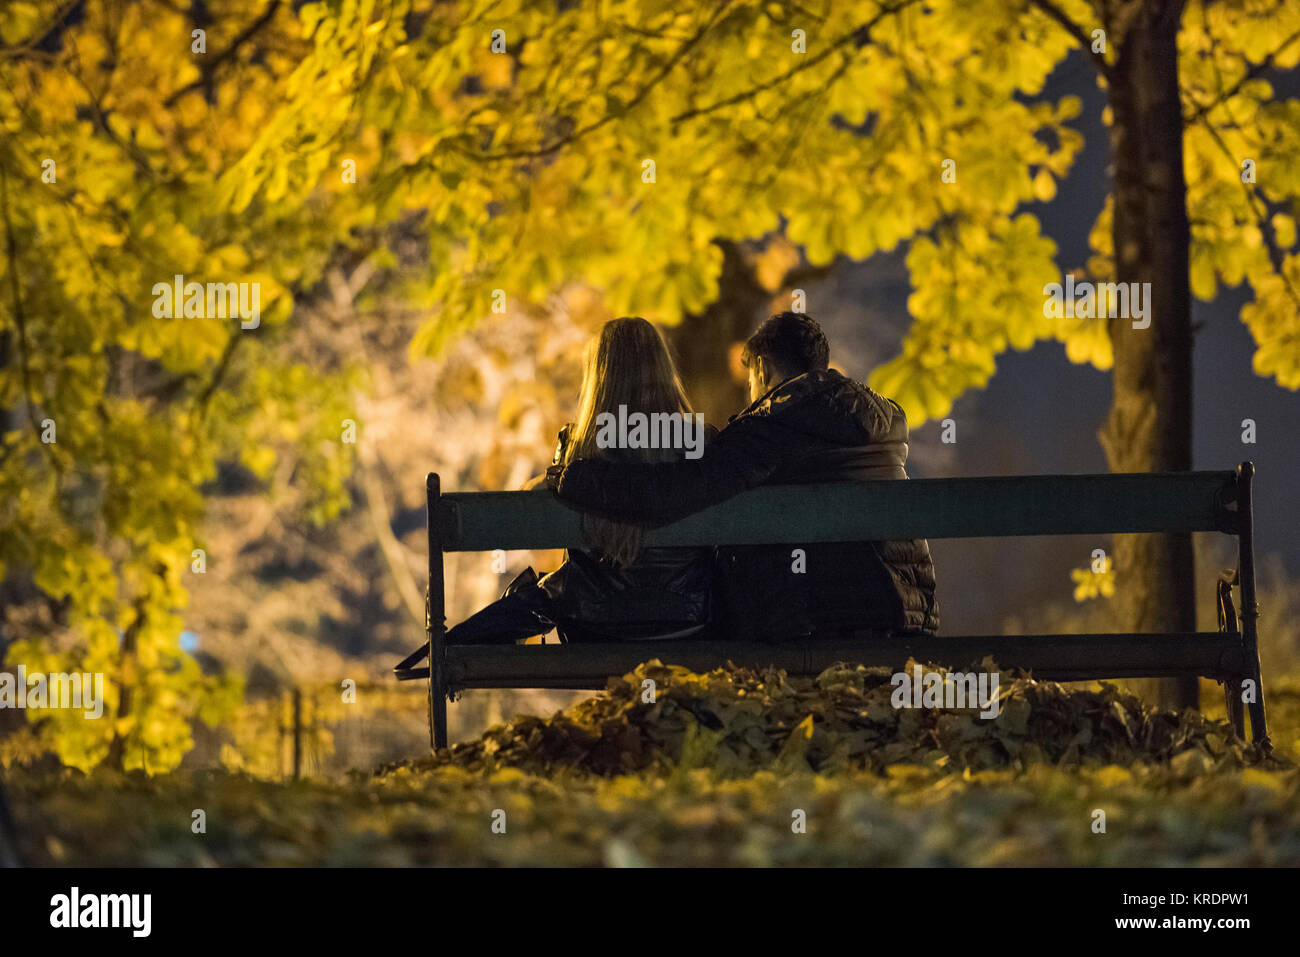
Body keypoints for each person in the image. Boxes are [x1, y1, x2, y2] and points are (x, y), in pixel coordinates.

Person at [549, 311, 939, 641]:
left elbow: (673, 494)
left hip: (822, 620)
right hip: (905, 611)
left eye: (751, 382)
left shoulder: (773, 425)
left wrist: (577, 479)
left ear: (763, 369)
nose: (751, 396)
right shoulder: (883, 419)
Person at [395, 316, 712, 672]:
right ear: (663, 368)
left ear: (599, 378)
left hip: (594, 630)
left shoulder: (578, 453)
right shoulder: (702, 444)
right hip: (690, 625)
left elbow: (529, 507)